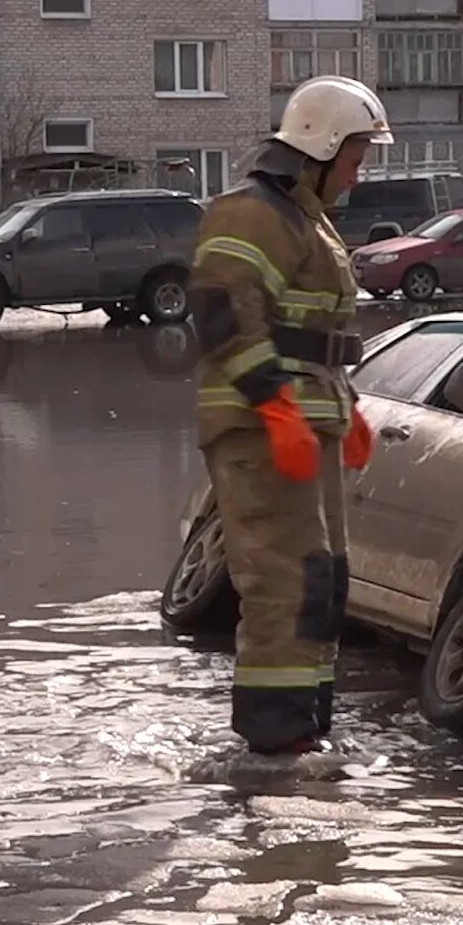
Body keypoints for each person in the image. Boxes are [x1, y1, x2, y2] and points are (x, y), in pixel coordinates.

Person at [191, 76, 392, 755]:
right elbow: (222, 314)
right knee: (284, 583)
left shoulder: (304, 220)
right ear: (322, 147)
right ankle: (275, 749)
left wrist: (347, 406)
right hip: (261, 428)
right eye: (356, 160)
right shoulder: (252, 213)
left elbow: (309, 331)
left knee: (321, 579)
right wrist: (276, 406)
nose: (359, 177)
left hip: (305, 422)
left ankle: (305, 730)